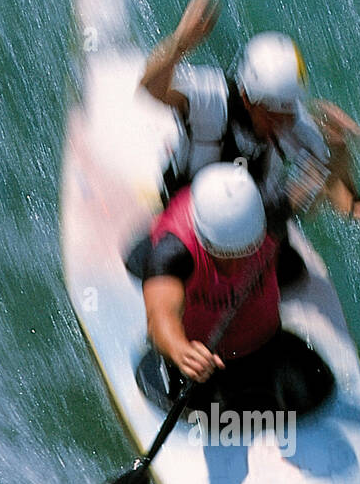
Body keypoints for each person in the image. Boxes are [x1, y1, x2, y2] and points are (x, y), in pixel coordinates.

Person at [135, 0, 360, 284]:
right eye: (271, 114)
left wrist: (359, 208)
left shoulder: (293, 122)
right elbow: (150, 87)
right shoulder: (211, 98)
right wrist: (180, 43)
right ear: (246, 96)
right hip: (190, 219)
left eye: (288, 113)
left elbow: (334, 188)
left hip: (252, 231)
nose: (281, 124)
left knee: (294, 271)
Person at [136, 162, 333, 416]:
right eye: (222, 256)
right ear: (203, 238)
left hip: (265, 347)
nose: (233, 270)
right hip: (203, 367)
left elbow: (323, 179)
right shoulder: (172, 249)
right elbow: (160, 316)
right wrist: (181, 350)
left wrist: (337, 153)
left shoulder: (272, 210)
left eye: (245, 252)